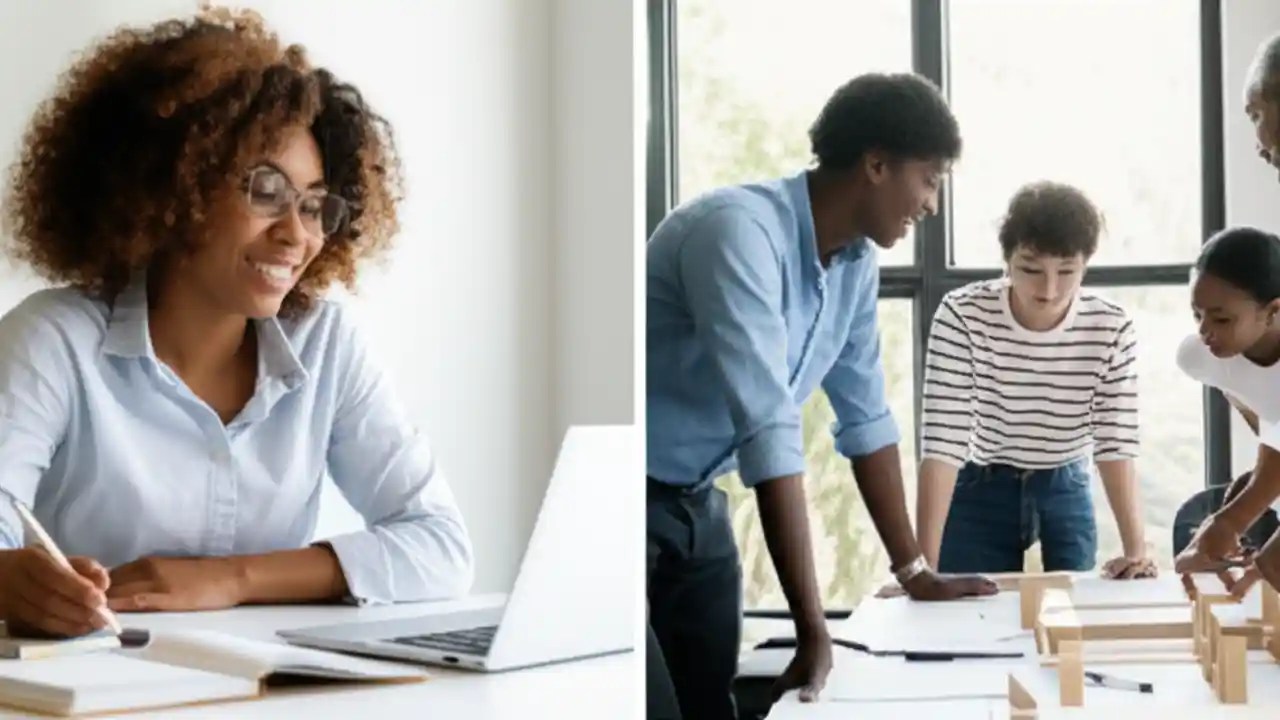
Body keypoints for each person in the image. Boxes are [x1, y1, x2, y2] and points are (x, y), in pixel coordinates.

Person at [0, 7, 473, 639]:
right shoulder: (53, 342)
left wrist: (232, 578)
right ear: (175, 190)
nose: (296, 235)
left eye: (313, 206)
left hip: (266, 688)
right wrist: (11, 579)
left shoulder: (326, 345)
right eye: (266, 192)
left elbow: (441, 547)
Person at [646, 72, 997, 720]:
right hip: (625, 502)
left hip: (698, 503)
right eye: (929, 178)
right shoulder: (737, 233)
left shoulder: (855, 265)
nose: (932, 204)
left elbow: (865, 418)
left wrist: (914, 571)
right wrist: (813, 627)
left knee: (708, 706)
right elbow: (768, 427)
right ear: (876, 164)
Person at [913, 182, 1152, 579]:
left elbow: (1115, 440)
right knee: (966, 612)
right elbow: (943, 441)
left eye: (1067, 271)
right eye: (1031, 269)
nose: (1049, 289)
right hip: (981, 482)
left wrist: (1136, 550)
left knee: (1071, 618)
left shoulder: (1110, 327)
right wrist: (921, 568)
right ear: (1006, 261)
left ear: (1086, 265)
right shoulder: (962, 315)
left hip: (1066, 482)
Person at [1174, 30, 1280, 595]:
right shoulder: (1209, 356)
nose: (1259, 143)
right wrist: (1236, 516)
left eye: (1255, 112)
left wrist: (1243, 535)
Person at [1174, 227, 1280, 595]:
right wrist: (1231, 515)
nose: (1205, 331)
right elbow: (1272, 430)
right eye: (1197, 314)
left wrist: (1230, 521)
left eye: (1221, 319)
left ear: (1273, 311)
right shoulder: (1202, 358)